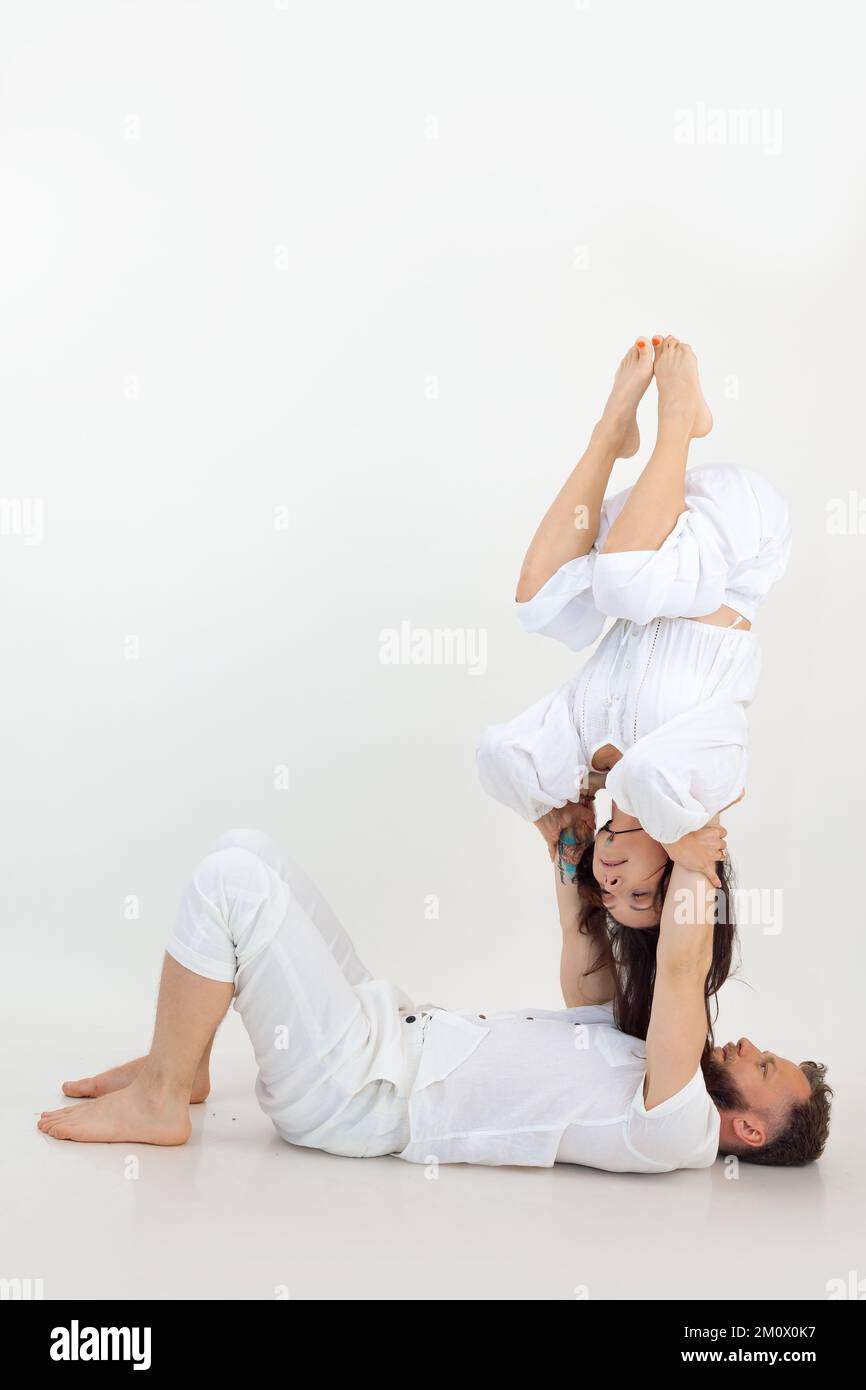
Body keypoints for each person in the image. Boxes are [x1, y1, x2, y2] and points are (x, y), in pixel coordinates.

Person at [38, 827, 831, 1171]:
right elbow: (584, 964)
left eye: (764, 1064)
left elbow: (687, 963)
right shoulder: (654, 1072)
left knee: (228, 888)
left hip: (359, 1094)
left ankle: (162, 1100)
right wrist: (564, 842)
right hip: (389, 1030)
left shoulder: (679, 1127)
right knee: (248, 852)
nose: (747, 1046)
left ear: (752, 1128)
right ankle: (189, 1060)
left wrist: (697, 846)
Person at [476, 336, 792, 944]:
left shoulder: (581, 758)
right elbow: (648, 777)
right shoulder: (706, 780)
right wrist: (681, 834)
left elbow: (495, 754)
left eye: (611, 894)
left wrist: (560, 821)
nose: (614, 881)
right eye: (643, 892)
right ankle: (682, 418)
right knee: (625, 585)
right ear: (675, 867)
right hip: (739, 535)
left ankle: (611, 434)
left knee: (538, 606)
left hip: (657, 530)